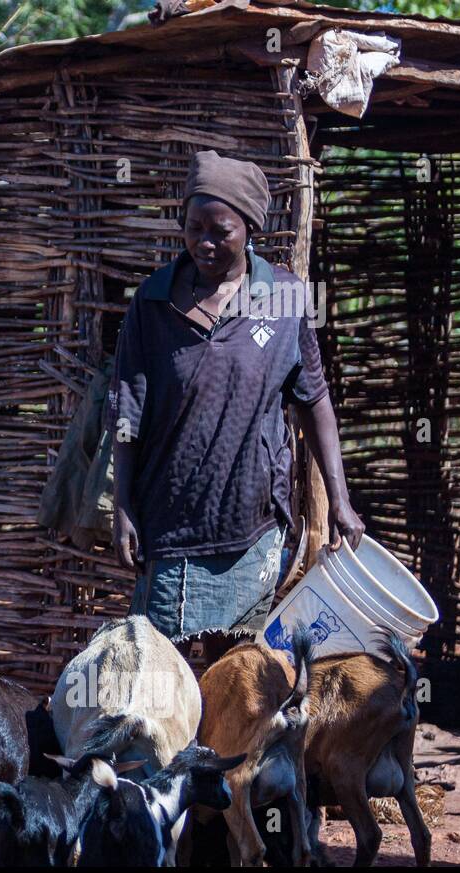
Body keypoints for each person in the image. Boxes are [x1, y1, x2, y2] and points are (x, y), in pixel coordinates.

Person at [108, 150, 364, 654]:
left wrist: (340, 498)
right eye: (193, 227)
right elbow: (126, 411)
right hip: (170, 528)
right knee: (162, 687)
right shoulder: (153, 303)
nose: (203, 242)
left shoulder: (287, 299)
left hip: (252, 531)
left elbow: (313, 400)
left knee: (242, 687)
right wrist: (121, 505)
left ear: (250, 228)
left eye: (219, 231)